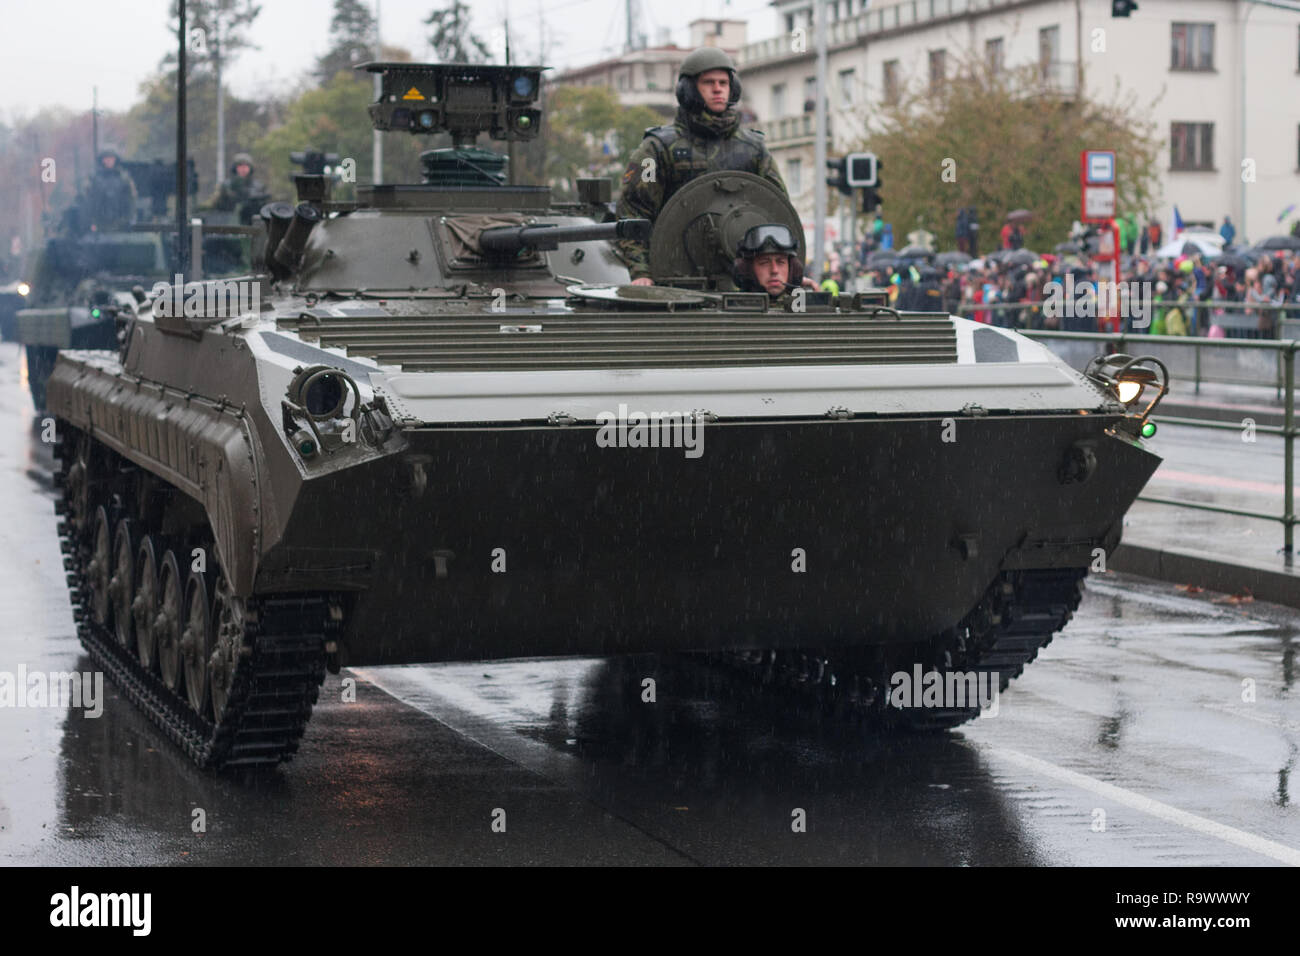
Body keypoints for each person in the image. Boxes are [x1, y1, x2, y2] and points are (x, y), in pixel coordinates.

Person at [615, 47, 787, 286]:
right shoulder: (656, 149)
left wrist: (792, 273)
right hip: (674, 277)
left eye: (723, 83)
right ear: (689, 90)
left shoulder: (753, 148)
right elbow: (634, 214)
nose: (718, 89)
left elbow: (777, 212)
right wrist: (641, 273)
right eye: (708, 82)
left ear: (733, 88)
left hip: (742, 281)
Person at [732, 223, 806, 300]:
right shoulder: (732, 306)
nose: (774, 270)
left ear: (792, 268)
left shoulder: (803, 305)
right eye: (764, 263)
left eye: (781, 262)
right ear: (747, 269)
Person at [201, 152, 268, 225]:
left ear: (250, 168)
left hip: (251, 225)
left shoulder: (259, 187)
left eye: (246, 166)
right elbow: (215, 206)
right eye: (240, 166)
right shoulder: (226, 186)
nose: (243, 169)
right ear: (235, 168)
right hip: (229, 224)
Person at [85, 146, 138, 232]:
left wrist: (130, 219)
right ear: (102, 160)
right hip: (100, 224)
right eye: (106, 158)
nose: (109, 160)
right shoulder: (94, 179)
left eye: (111, 158)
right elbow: (90, 201)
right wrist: (92, 222)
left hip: (121, 223)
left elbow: (131, 200)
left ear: (115, 159)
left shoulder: (124, 178)